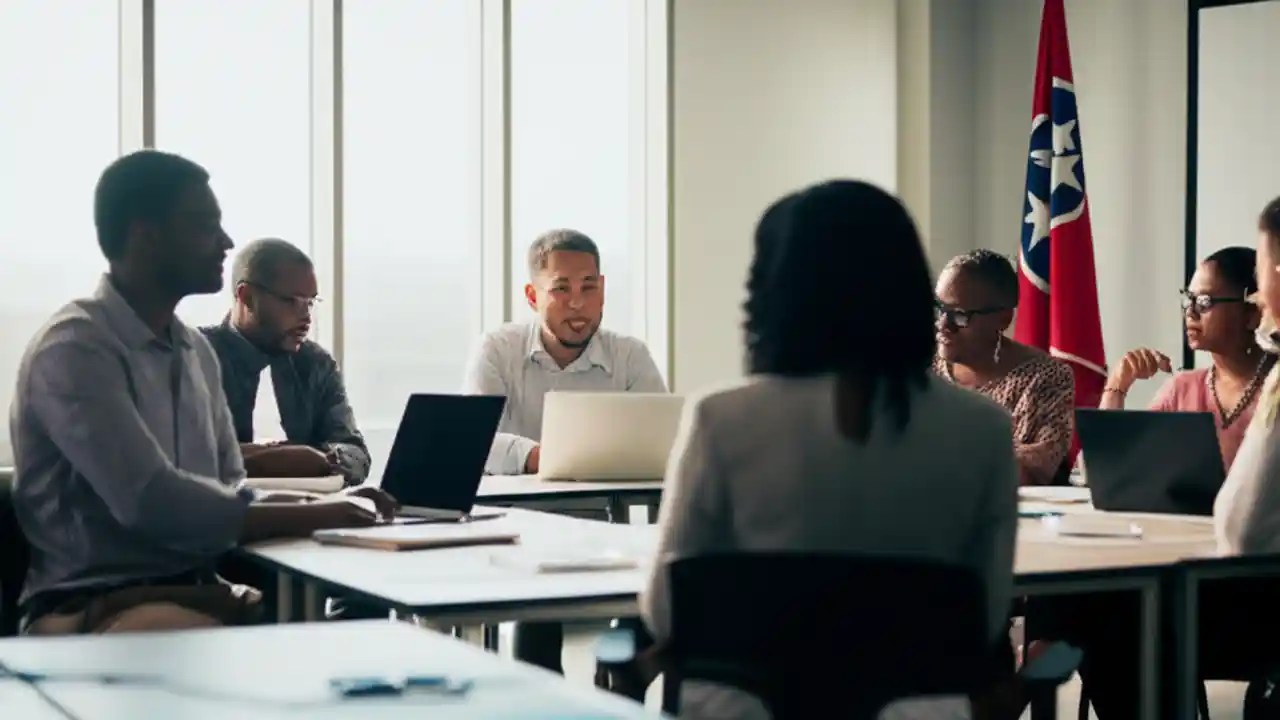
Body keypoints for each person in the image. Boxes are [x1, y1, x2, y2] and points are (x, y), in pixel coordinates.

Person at [640, 181, 1019, 719]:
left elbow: (666, 610)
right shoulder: (983, 430)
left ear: (769, 293)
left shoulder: (720, 420)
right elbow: (986, 617)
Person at [9, 150, 396, 635]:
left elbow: (229, 490)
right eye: (204, 225)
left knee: (351, 633)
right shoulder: (76, 349)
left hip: (195, 590)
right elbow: (152, 502)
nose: (226, 242)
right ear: (145, 235)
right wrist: (322, 511)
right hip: (95, 605)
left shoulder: (193, 352)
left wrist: (331, 507)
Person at [462, 229, 666, 673]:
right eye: (561, 289)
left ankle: (621, 679)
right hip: (518, 527)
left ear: (603, 290)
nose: (577, 303)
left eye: (589, 287)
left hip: (605, 528)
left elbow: (661, 440)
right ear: (532, 295)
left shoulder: (630, 356)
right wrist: (543, 456)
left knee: (659, 583)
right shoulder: (497, 349)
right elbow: (473, 441)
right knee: (538, 623)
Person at [201, 238, 370, 484]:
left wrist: (324, 459)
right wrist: (278, 458)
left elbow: (356, 454)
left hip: (310, 504)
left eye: (310, 302)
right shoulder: (193, 356)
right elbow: (179, 455)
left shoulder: (316, 364)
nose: (306, 317)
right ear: (246, 296)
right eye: (292, 301)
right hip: (215, 506)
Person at [1101, 247, 1274, 471]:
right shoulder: (1181, 390)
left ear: (1252, 314)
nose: (1190, 312)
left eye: (1204, 301)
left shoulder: (1275, 388)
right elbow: (1106, 468)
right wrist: (1117, 386)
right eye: (1188, 299)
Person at [933, 250, 1075, 485]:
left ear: (1003, 319)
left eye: (959, 315)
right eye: (939, 309)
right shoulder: (918, 371)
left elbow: (1035, 470)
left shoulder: (1044, 378)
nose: (943, 324)